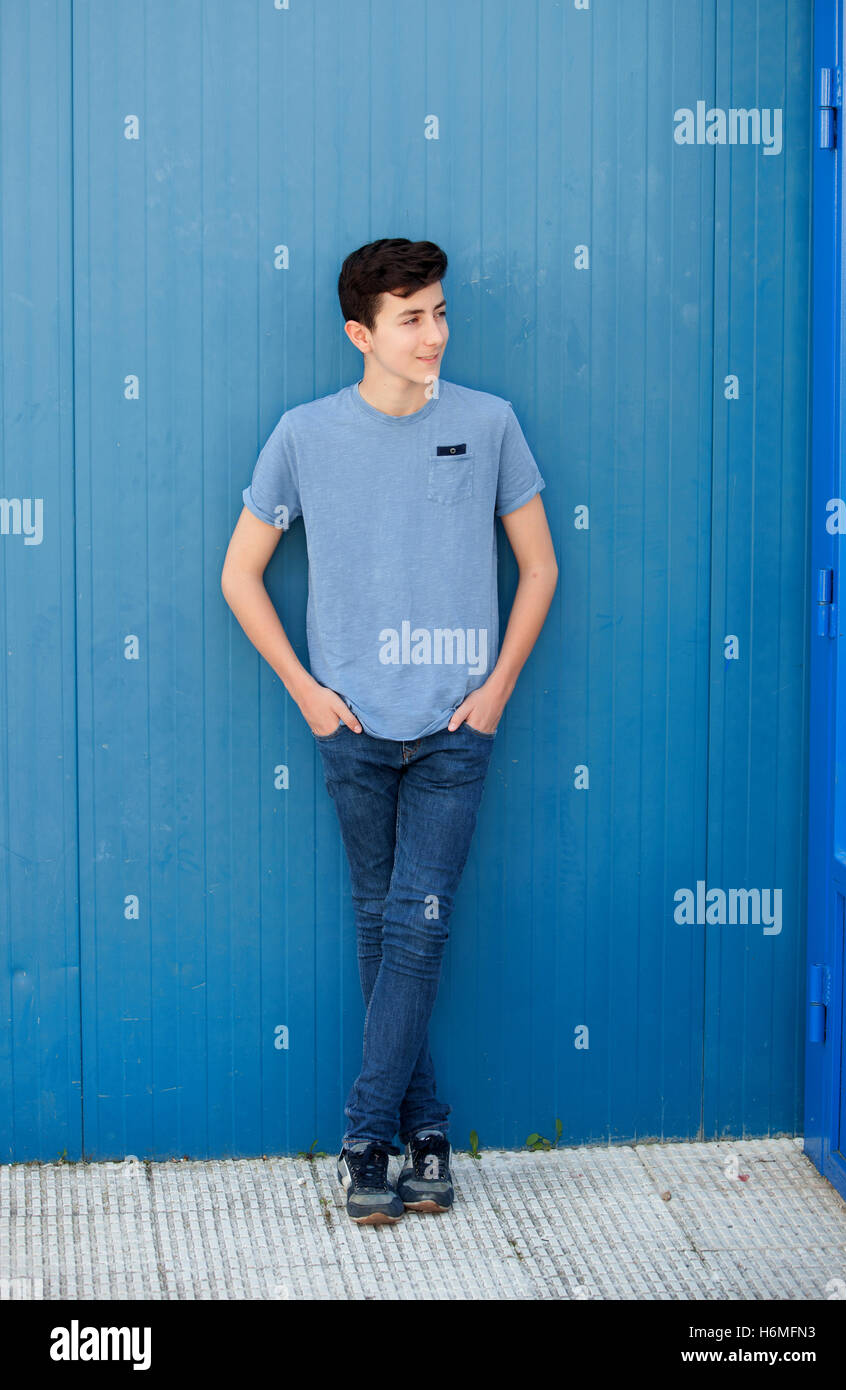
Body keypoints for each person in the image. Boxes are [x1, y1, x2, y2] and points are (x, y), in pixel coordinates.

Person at [221, 238, 558, 1225]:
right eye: (410, 317)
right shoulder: (301, 435)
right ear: (358, 333)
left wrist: (494, 687)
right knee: (382, 923)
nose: (433, 333)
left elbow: (538, 568)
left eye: (440, 312)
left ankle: (366, 1133)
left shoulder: (489, 424)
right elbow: (239, 573)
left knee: (415, 923)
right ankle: (428, 1131)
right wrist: (307, 692)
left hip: (455, 727)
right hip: (353, 729)